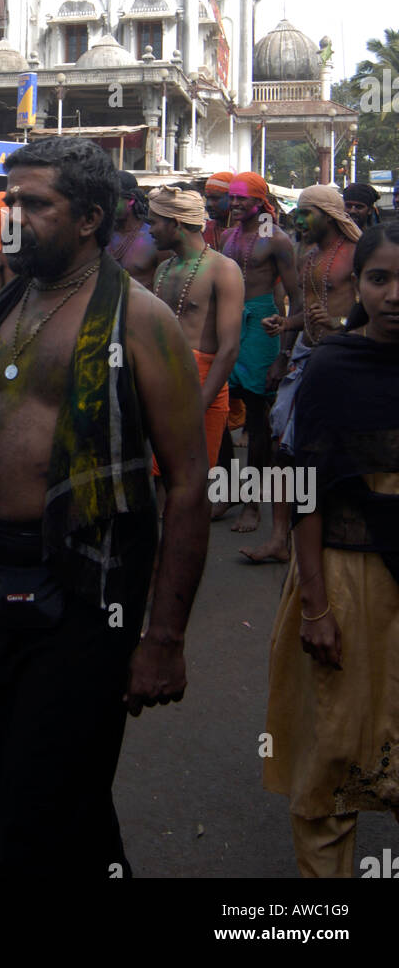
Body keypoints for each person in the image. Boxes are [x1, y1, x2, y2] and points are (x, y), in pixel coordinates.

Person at [0, 137, 209, 878]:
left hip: (87, 583)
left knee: (51, 782)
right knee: (22, 773)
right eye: (11, 202)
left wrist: (163, 637)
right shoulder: (8, 302)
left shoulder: (140, 321)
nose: (13, 218)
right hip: (1, 578)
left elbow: (189, 484)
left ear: (90, 218)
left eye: (35, 204)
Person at [263, 221, 399, 877]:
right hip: (347, 581)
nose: (394, 294)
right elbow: (304, 485)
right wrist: (315, 605)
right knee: (333, 752)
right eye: (379, 278)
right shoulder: (333, 368)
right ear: (357, 285)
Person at [251, 187, 360, 565]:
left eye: (305, 214)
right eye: (296, 213)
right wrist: (286, 324)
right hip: (305, 357)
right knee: (282, 442)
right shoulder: (308, 255)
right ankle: (279, 538)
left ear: (328, 216)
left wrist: (340, 324)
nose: (297, 221)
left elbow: (366, 314)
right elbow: (308, 312)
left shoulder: (357, 256)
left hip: (344, 360)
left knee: (326, 452)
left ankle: (329, 537)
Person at [219, 172, 301, 532]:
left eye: (242, 199)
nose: (234, 204)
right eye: (231, 198)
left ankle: (252, 503)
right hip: (230, 320)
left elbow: (295, 298)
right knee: (217, 407)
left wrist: (284, 355)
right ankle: (227, 491)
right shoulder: (227, 236)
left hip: (263, 325)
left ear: (260, 201)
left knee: (256, 415)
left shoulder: (277, 239)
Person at [147, 186, 243, 471]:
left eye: (153, 221)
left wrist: (198, 405)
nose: (148, 229)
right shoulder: (163, 269)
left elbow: (229, 349)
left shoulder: (223, 269)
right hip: (162, 384)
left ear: (175, 223)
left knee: (192, 484)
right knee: (159, 477)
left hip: (202, 387)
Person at [107, 170, 159, 289]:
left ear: (131, 200)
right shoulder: (100, 236)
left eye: (114, 200)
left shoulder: (153, 237)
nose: (108, 205)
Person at [203, 171, 234, 250]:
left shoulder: (247, 231)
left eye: (215, 198)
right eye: (207, 199)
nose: (208, 204)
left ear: (232, 198)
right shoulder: (203, 230)